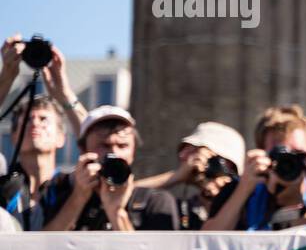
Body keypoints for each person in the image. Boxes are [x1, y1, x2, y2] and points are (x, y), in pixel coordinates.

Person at [205, 105, 306, 231]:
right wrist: (243, 189)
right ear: (263, 154)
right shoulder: (239, 194)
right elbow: (205, 243)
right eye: (280, 155)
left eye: (298, 154)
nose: (289, 162)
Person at [41, 106, 180, 231]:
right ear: (83, 150)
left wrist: (117, 212)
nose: (114, 153)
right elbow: (43, 249)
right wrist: (79, 197)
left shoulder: (155, 201)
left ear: (133, 151)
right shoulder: (57, 188)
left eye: (122, 146)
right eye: (104, 145)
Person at [135, 121, 245, 230]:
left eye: (193, 151)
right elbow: (124, 195)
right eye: (183, 150)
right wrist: (175, 177)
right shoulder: (182, 208)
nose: (182, 156)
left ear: (224, 162)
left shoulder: (248, 205)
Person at [4, 96, 67, 230]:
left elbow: (95, 142)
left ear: (61, 138)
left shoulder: (71, 187)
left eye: (43, 119)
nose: (35, 123)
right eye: (27, 119)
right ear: (14, 137)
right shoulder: (4, 186)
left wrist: (64, 93)